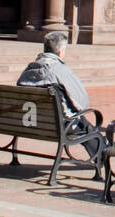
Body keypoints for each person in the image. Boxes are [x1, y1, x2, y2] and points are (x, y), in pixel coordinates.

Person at [17, 31, 103, 159]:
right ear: (61, 52)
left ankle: (104, 148)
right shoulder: (60, 70)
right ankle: (104, 151)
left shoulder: (28, 70)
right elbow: (82, 103)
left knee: (81, 123)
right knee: (84, 125)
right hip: (59, 125)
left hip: (30, 122)